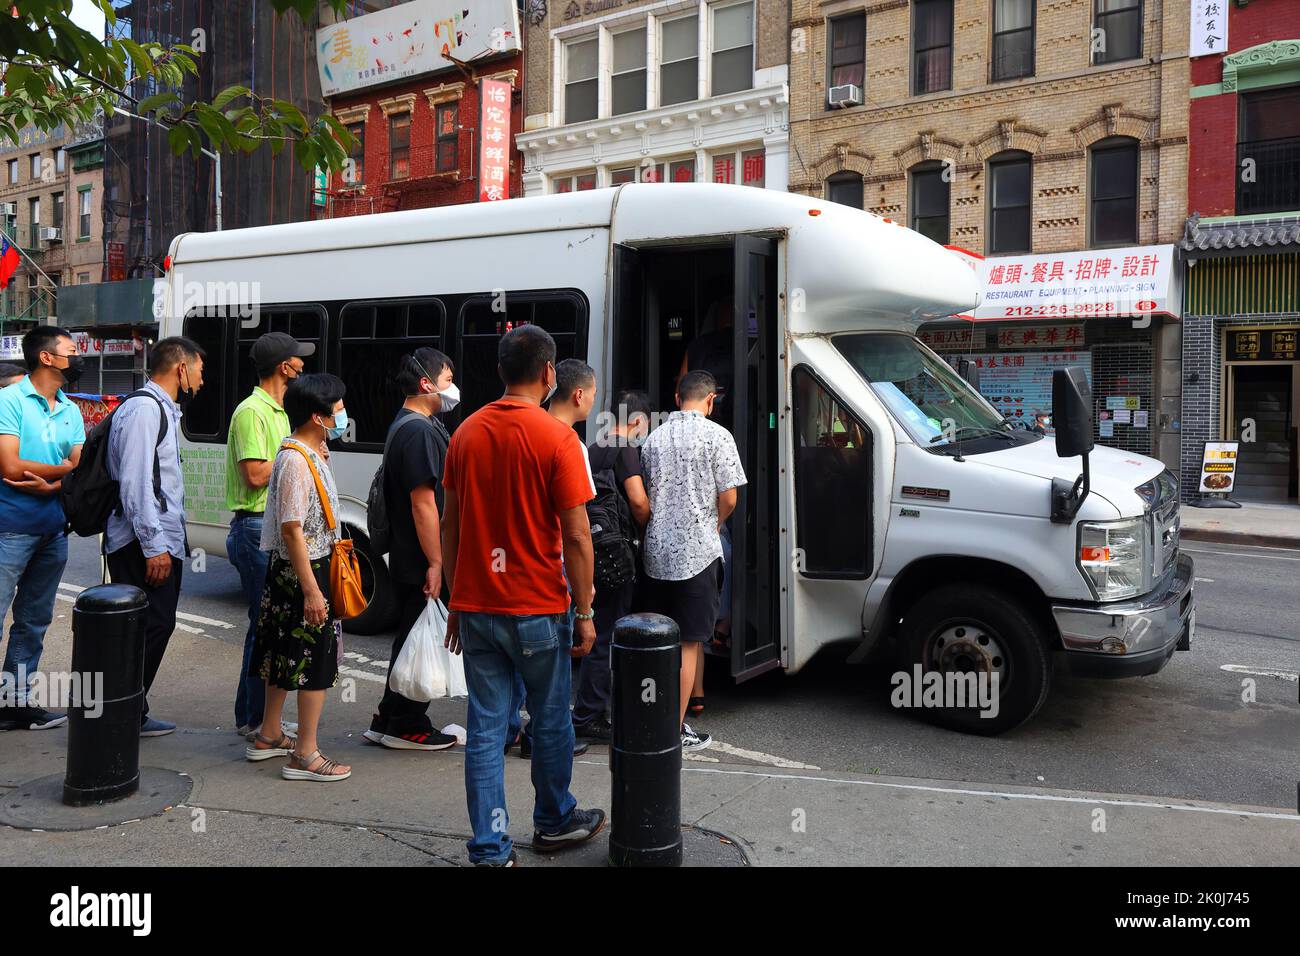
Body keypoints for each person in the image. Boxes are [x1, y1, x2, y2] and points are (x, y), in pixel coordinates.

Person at [441, 324, 603, 866]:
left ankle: (490, 848)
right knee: (551, 718)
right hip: (537, 606)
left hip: (479, 605)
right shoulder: (556, 439)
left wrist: (455, 599)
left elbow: (453, 524)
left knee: (486, 728)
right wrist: (584, 610)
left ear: (501, 371)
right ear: (549, 374)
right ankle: (554, 821)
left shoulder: (465, 433)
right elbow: (578, 535)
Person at [245, 373, 352, 781]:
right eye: (337, 408)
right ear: (317, 415)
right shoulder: (294, 460)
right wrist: (312, 590)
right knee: (316, 662)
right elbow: (292, 528)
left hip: (295, 569)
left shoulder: (309, 451)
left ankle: (270, 734)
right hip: (304, 570)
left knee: (282, 655)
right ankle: (306, 755)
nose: (342, 414)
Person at [640, 370, 746, 753]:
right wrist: (713, 525)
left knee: (659, 642)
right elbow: (730, 498)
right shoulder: (719, 437)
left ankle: (651, 717)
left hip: (655, 553)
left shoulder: (653, 438)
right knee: (688, 643)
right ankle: (674, 729)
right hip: (698, 554)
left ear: (676, 395)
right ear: (711, 399)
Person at [105, 336, 205, 738]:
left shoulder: (159, 409)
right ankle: (119, 711)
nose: (201, 377)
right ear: (181, 368)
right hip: (141, 542)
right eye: (199, 368)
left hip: (156, 538)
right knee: (150, 625)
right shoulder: (146, 410)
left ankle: (129, 709)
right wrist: (154, 546)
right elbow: (134, 484)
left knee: (150, 625)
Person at [363, 348, 459, 751]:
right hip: (420, 556)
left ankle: (390, 715)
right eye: (448, 379)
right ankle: (406, 723)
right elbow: (424, 503)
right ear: (426, 383)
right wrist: (437, 563)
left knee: (412, 633)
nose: (452, 388)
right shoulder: (418, 431)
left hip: (409, 554)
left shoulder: (411, 424)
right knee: (419, 636)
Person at [504, 358, 598, 759]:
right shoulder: (567, 444)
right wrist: (584, 606)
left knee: (510, 668)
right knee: (548, 673)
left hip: (506, 568)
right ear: (579, 395)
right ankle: (544, 743)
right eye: (594, 394)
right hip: (549, 564)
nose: (594, 401)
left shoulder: (513, 431)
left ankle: (513, 730)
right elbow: (576, 531)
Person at [226, 332, 314, 738]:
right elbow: (255, 473)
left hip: (274, 529)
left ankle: (266, 719)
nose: (302, 367)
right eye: (298, 361)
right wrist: (297, 454)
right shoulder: (251, 412)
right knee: (262, 627)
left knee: (273, 626)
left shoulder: (280, 409)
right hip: (255, 528)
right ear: (284, 368)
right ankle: (252, 719)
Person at [0, 328, 85, 731]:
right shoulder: (10, 400)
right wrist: (65, 471)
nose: (78, 356)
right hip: (9, 527)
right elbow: (11, 467)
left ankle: (14, 704)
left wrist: (55, 481)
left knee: (33, 621)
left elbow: (79, 464)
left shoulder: (71, 409)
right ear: (47, 358)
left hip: (53, 529)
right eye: (72, 350)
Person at [572, 389, 651, 741]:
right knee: (607, 634)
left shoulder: (591, 449)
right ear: (636, 421)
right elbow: (637, 501)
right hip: (617, 554)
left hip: (592, 550)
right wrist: (647, 526)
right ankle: (589, 715)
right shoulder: (626, 449)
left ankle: (591, 707)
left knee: (598, 629)